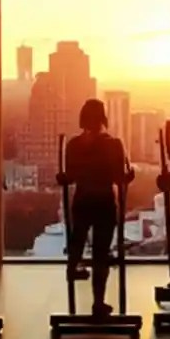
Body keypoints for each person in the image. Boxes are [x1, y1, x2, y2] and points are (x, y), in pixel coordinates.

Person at [57, 99, 132, 317]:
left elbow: (69, 177)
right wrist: (130, 176)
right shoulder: (114, 144)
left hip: (82, 200)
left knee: (77, 240)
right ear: (103, 118)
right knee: (101, 253)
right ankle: (98, 302)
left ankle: (73, 268)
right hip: (104, 202)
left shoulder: (73, 145)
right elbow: (120, 178)